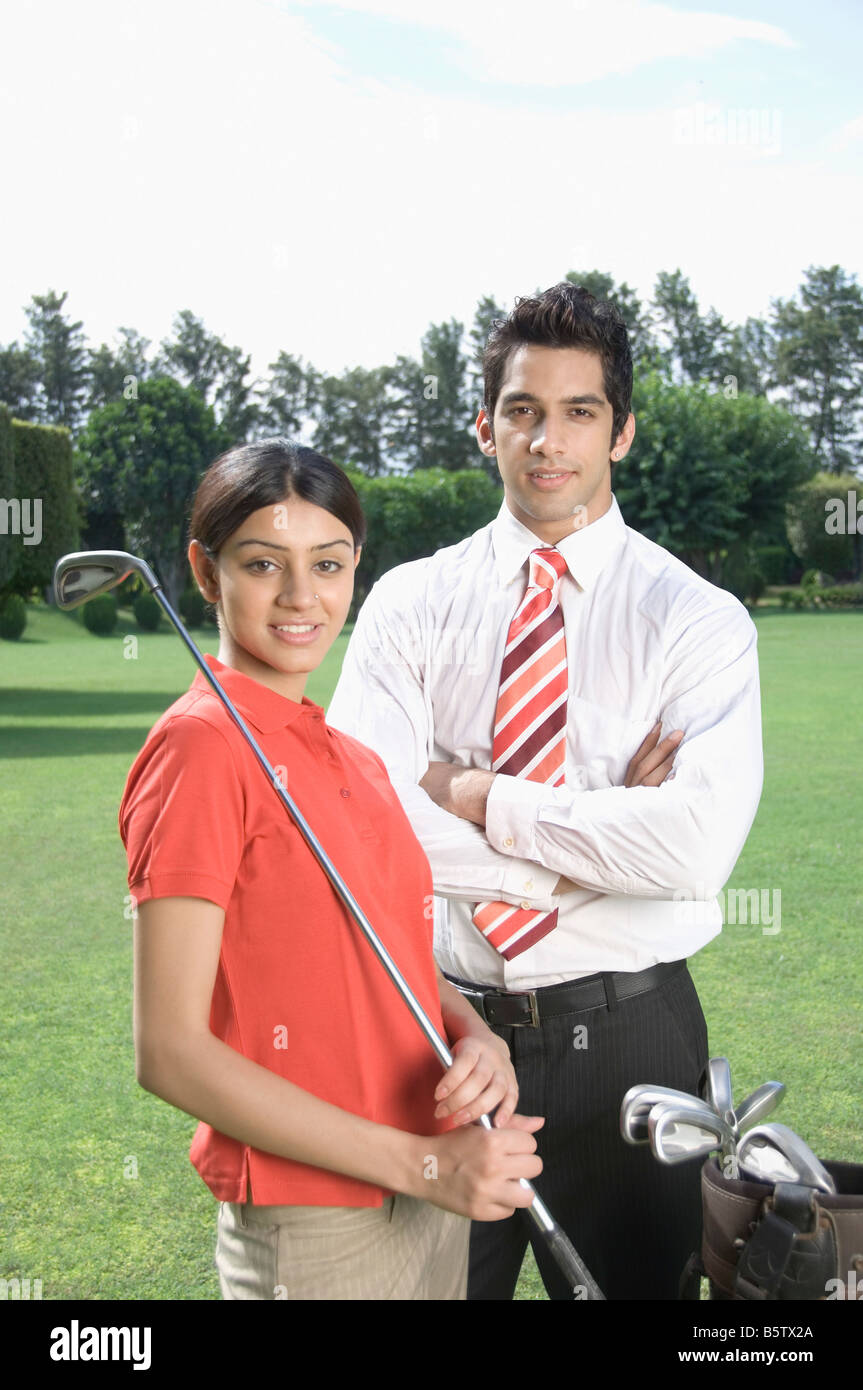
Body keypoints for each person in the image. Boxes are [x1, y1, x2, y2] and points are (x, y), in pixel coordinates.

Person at [327, 283, 764, 1300]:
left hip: (631, 1038)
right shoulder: (407, 603)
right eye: (521, 410)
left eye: (578, 411)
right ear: (485, 427)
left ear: (621, 432)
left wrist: (471, 790)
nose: (546, 439)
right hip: (439, 1035)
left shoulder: (698, 620)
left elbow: (692, 848)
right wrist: (593, 842)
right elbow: (358, 826)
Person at [118, 438, 546, 1302]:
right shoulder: (199, 750)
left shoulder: (351, 756)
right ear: (204, 573)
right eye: (262, 564)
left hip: (430, 1186)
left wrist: (475, 1033)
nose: (300, 596)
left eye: (327, 563)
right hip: (319, 1222)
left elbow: (388, 952)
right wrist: (422, 1164)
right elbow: (169, 1051)